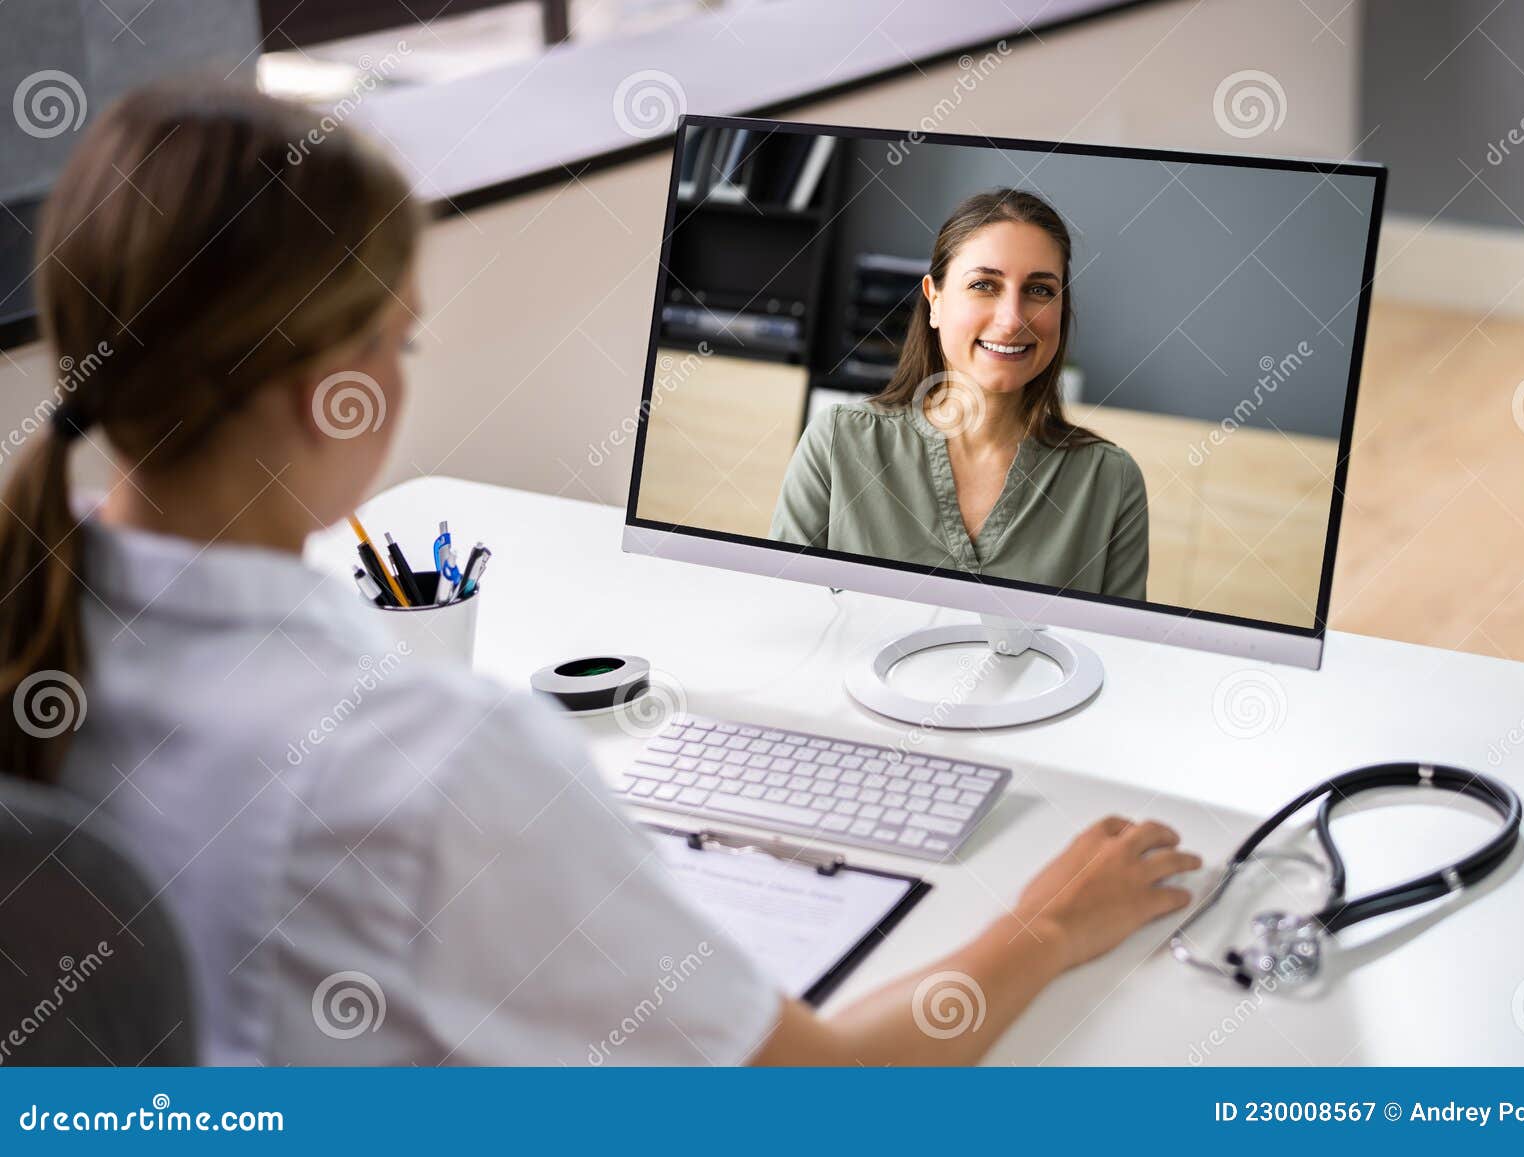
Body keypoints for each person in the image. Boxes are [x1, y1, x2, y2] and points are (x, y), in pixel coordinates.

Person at [0, 84, 1197, 1066]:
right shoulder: (437, 754)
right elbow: (819, 1093)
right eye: (397, 339)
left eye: (1040, 286)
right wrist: (1048, 921)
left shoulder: (33, 623)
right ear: (333, 389)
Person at [771, 189, 1150, 601]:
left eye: (1040, 290)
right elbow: (785, 626)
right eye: (984, 284)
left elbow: (1120, 659)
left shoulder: (1110, 482)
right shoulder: (837, 441)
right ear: (935, 300)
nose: (1011, 320)